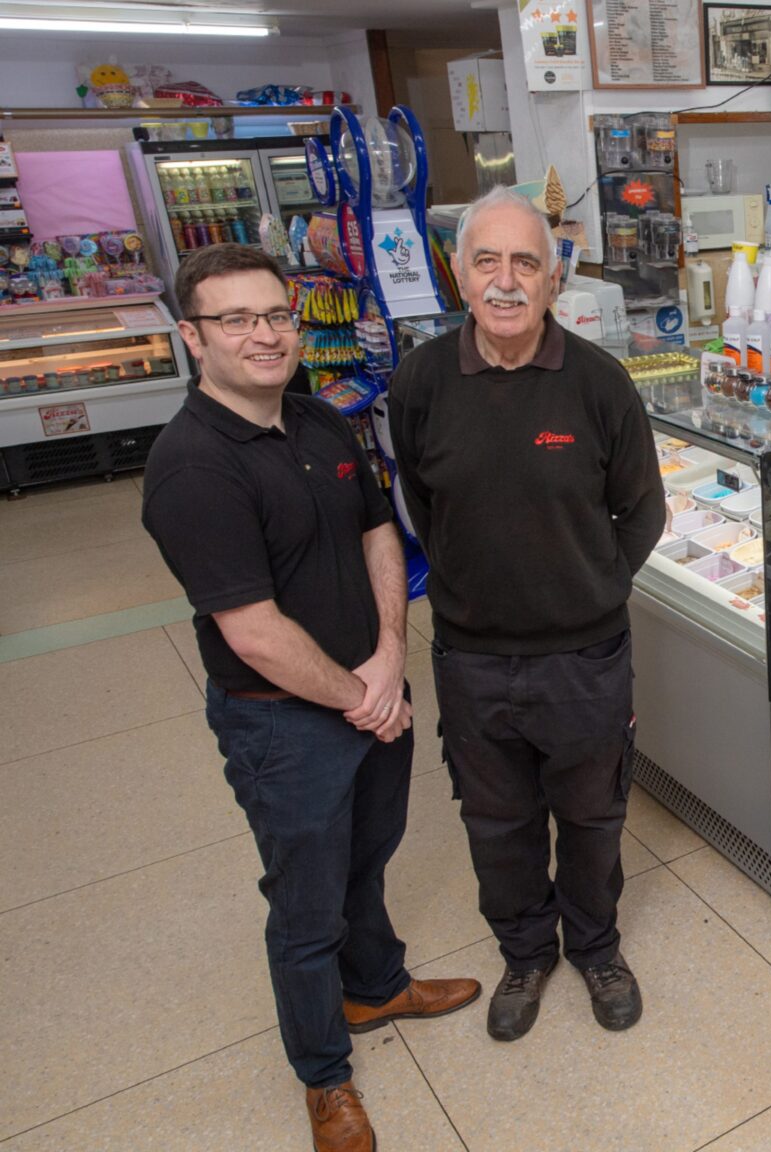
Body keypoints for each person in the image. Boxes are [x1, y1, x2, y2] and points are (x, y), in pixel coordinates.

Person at [141, 244, 480, 1152]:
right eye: (236, 320)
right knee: (304, 904)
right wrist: (362, 698)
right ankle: (323, 1078)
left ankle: (377, 984)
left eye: (277, 316)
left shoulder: (319, 419)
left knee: (367, 857)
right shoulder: (193, 468)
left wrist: (385, 654)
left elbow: (377, 532)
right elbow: (250, 630)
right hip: (283, 724)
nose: (265, 335)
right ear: (192, 337)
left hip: (366, 687)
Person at [388, 186, 667, 1043]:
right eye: (487, 262)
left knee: (592, 818)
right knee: (496, 822)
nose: (506, 281)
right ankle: (525, 953)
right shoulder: (422, 380)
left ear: (553, 278)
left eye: (525, 263)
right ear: (459, 274)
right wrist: (476, 590)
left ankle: (596, 947)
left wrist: (584, 591)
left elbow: (642, 513)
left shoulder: (598, 383)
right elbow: (421, 504)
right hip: (472, 661)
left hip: (584, 661)